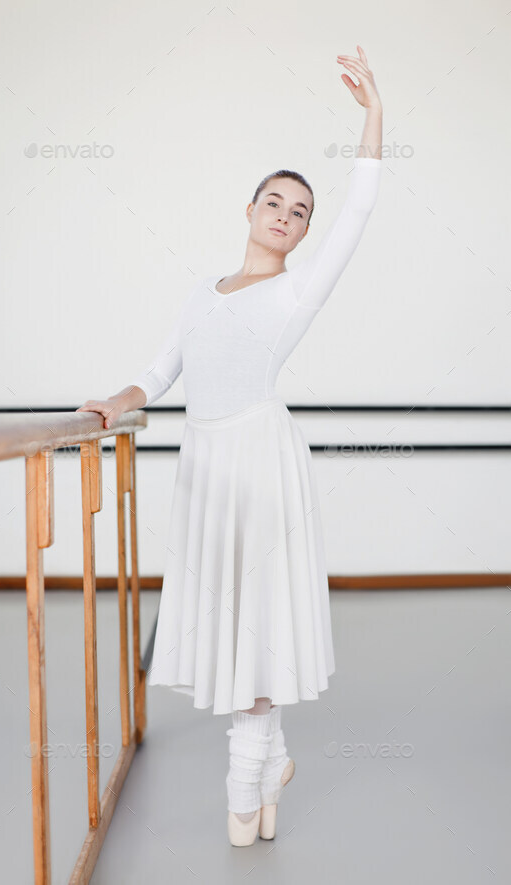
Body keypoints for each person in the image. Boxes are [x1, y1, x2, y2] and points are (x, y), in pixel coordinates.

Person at [77, 45, 383, 848]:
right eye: (273, 202)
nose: (285, 215)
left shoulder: (297, 290)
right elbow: (158, 371)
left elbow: (358, 213)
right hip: (206, 467)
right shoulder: (200, 291)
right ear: (249, 210)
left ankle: (245, 781)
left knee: (259, 617)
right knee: (230, 617)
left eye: (299, 212)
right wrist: (115, 402)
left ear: (302, 232)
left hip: (260, 460)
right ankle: (269, 761)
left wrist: (374, 115)